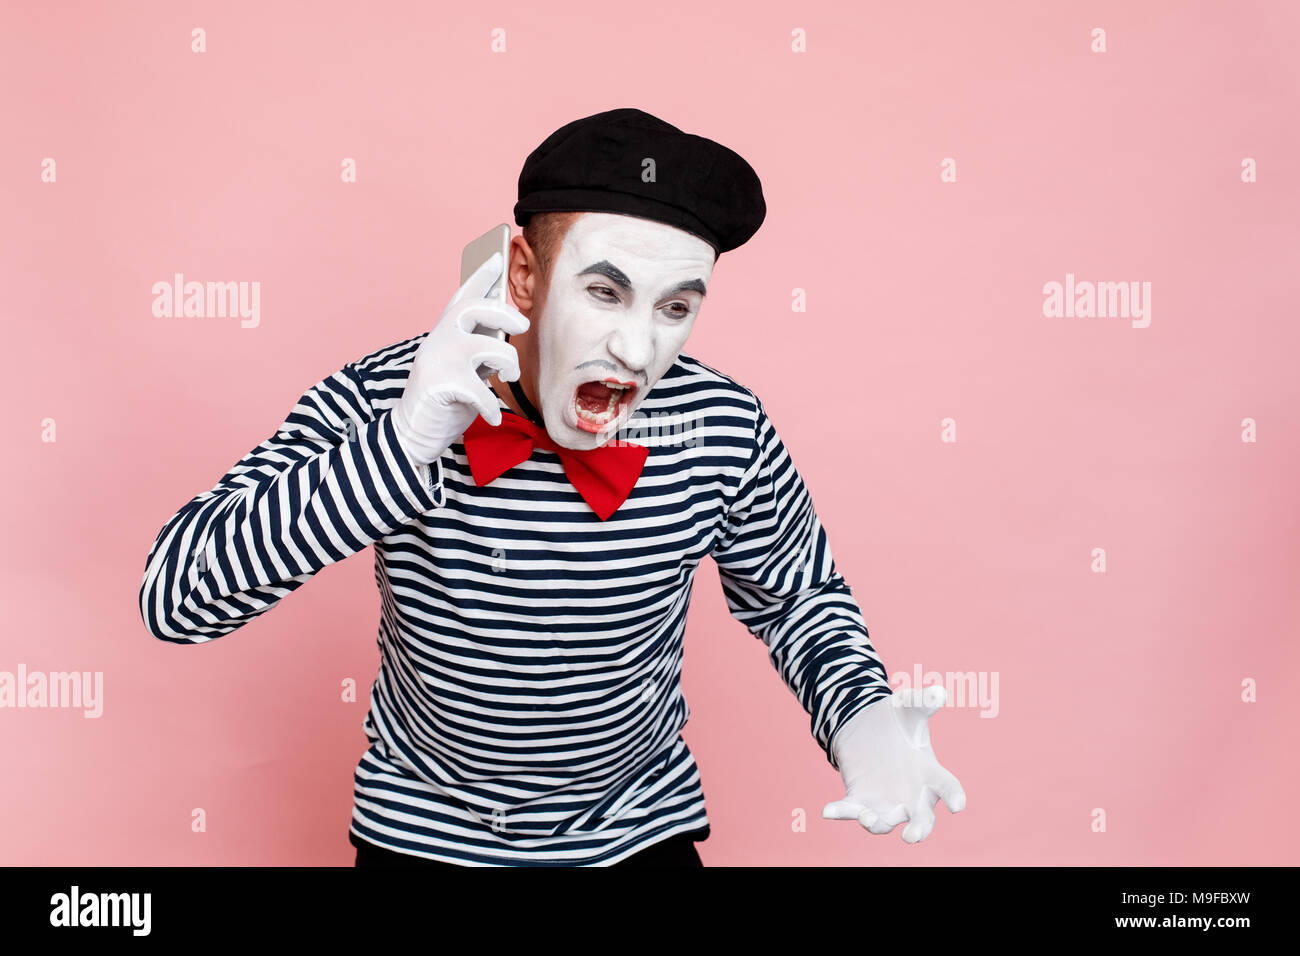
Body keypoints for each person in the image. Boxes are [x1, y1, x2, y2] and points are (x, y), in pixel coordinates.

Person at [139, 107, 965, 867]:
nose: (640, 352)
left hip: (638, 833)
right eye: (605, 292)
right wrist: (398, 446)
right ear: (523, 274)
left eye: (675, 307)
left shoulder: (722, 423)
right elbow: (175, 598)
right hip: (420, 842)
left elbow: (796, 597)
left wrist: (862, 723)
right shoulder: (386, 396)